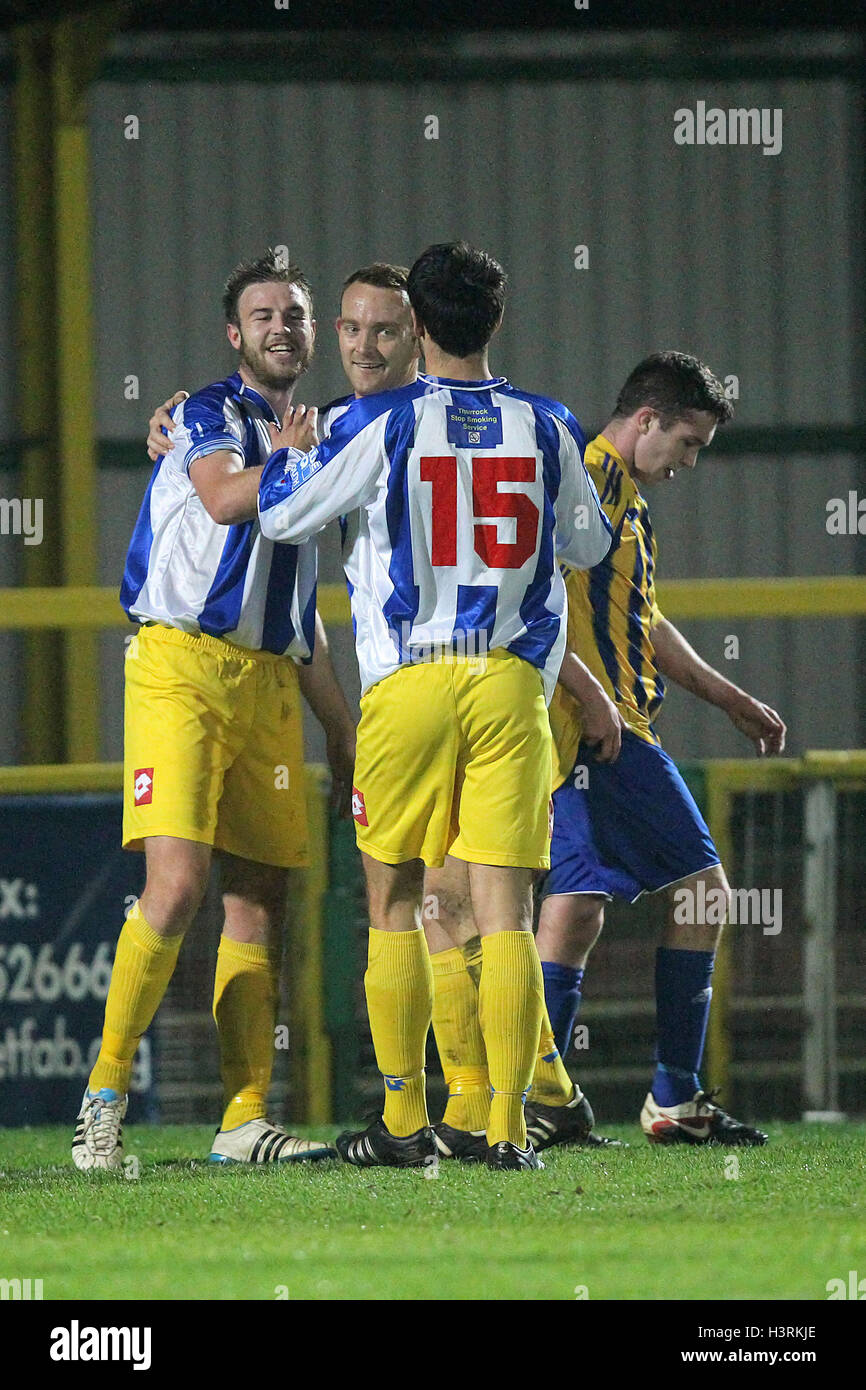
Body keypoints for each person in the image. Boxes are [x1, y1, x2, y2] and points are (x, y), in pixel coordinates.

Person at [147, 260, 621, 1158]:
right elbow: (588, 541)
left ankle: (406, 1117)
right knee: (503, 908)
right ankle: (510, 1126)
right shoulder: (548, 420)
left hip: (410, 680)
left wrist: (265, 456)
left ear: (421, 333)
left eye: (383, 330)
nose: (365, 347)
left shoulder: (382, 424)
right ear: (494, 318)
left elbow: (284, 518)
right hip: (512, 685)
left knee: (396, 900)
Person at [416, 353, 787, 1153]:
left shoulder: (626, 502)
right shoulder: (580, 482)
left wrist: (728, 698)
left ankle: (534, 1098)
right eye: (687, 443)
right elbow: (528, 593)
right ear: (645, 420)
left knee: (572, 914)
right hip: (597, 729)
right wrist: (587, 696)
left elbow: (643, 621)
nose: (688, 464)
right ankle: (669, 1096)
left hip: (591, 727)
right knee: (704, 894)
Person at [72, 252, 355, 1171]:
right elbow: (229, 498)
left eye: (296, 315)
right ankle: (103, 1095)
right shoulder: (207, 414)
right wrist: (299, 454)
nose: (283, 326)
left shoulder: (315, 434)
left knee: (258, 897)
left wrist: (339, 724)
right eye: (264, 314)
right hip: (180, 667)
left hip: (269, 679)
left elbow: (297, 604)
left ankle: (243, 1118)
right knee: (179, 884)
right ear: (235, 336)